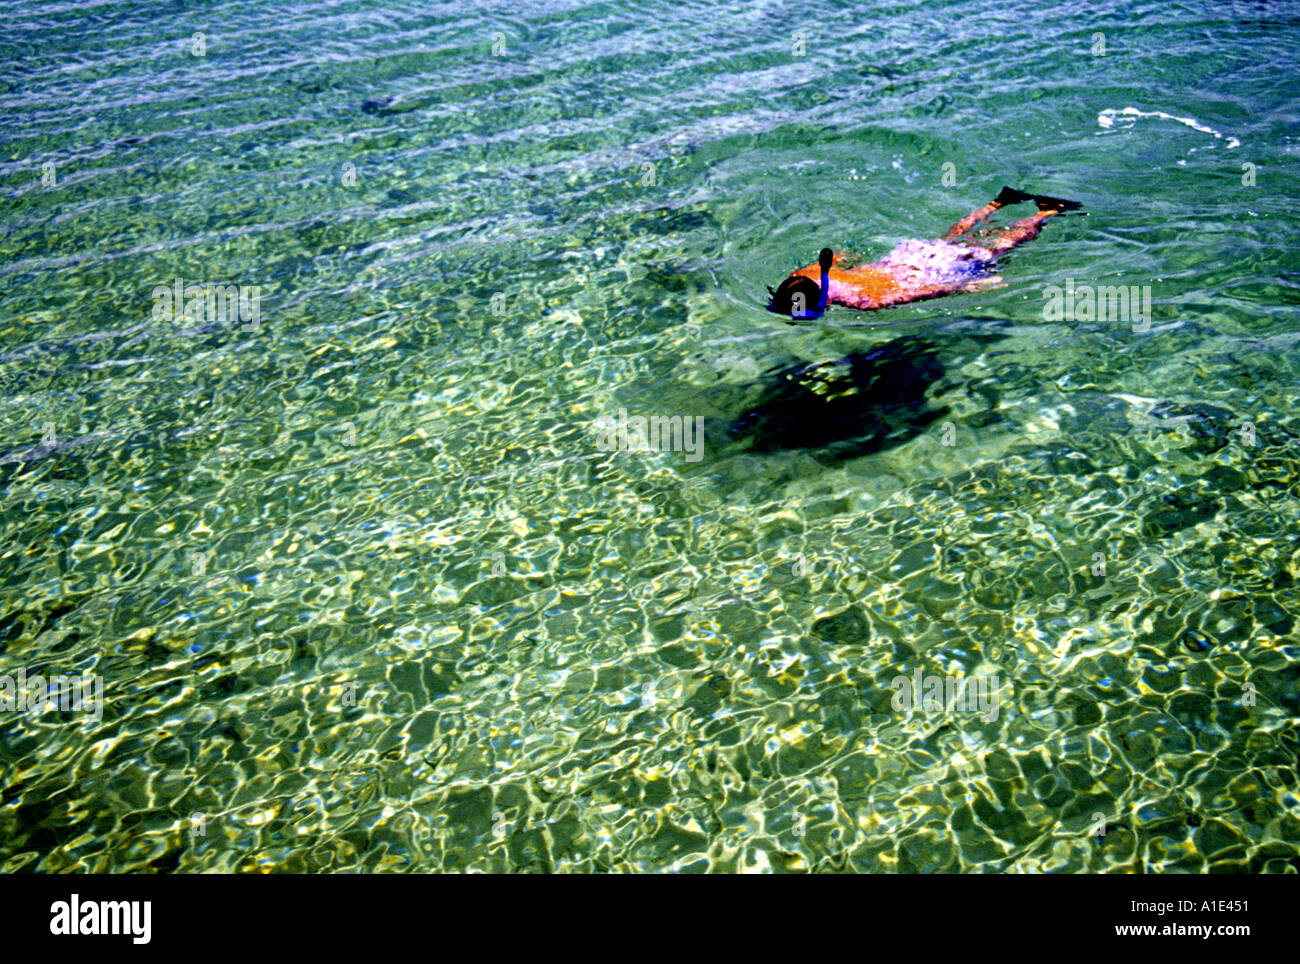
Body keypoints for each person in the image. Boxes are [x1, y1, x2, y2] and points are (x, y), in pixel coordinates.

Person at [766, 186, 1083, 319]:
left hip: (933, 272)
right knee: (950, 237)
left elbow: (918, 294)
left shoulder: (860, 301)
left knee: (1001, 246)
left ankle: (1046, 212)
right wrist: (854, 262)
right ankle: (998, 202)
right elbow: (840, 256)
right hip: (905, 256)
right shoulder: (806, 275)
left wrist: (964, 287)